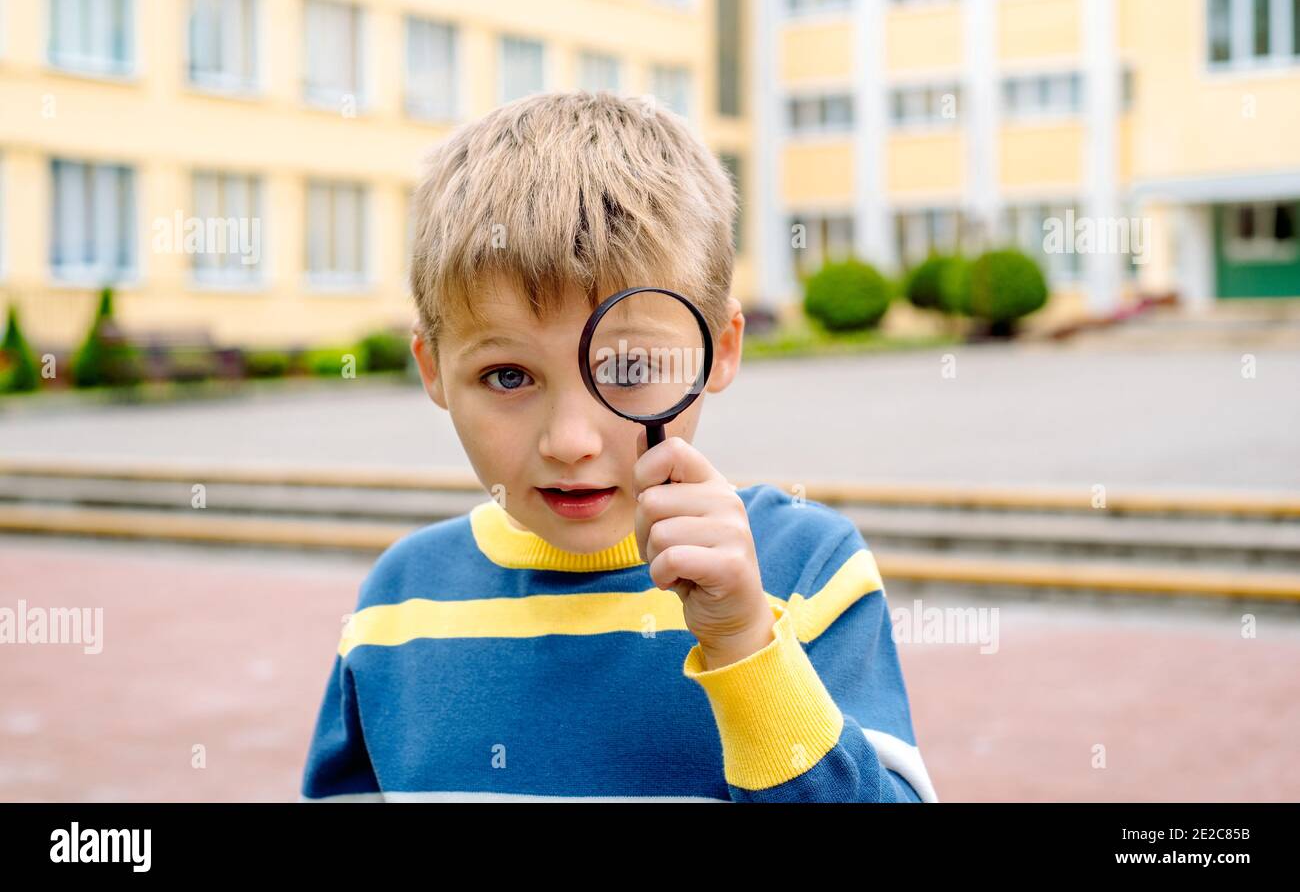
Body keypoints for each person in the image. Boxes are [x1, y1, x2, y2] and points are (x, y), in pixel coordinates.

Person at [299, 91, 936, 802]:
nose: (570, 442)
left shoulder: (809, 574)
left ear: (719, 348)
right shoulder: (397, 603)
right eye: (507, 375)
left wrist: (749, 648)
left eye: (631, 368)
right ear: (431, 369)